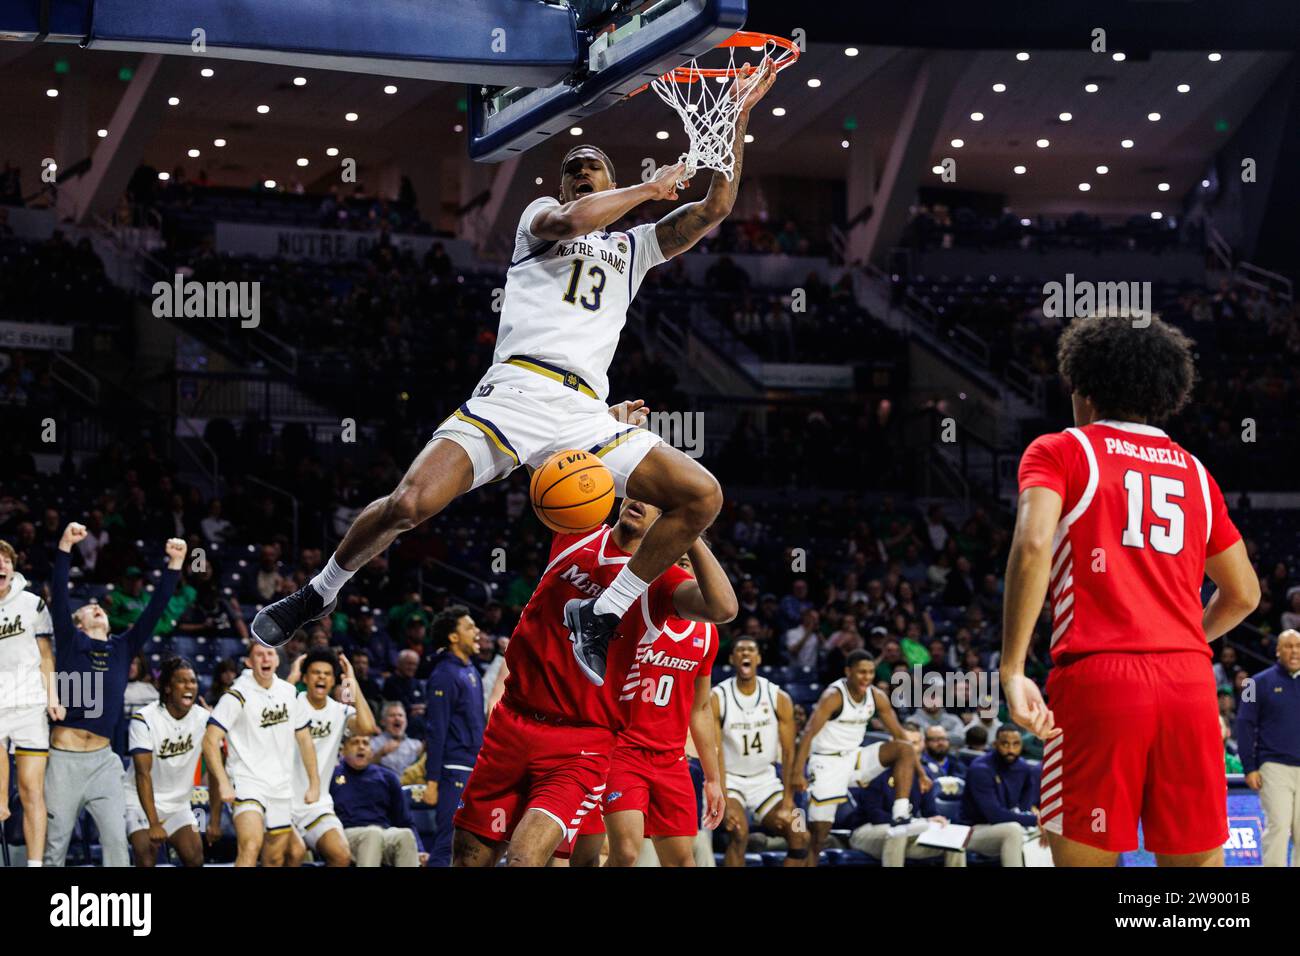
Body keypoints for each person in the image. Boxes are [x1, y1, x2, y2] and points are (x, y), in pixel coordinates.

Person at [250, 61, 780, 697]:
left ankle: (604, 613)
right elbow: (571, 222)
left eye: (593, 170)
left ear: (608, 178)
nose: (581, 176)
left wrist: (739, 112)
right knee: (409, 505)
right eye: (572, 171)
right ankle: (319, 592)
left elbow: (716, 206)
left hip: (585, 412)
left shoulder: (635, 248)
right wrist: (647, 187)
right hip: (515, 393)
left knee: (702, 496)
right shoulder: (541, 218)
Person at [1001, 313, 1259, 867]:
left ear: (1084, 390)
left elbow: (1032, 545)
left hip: (1099, 682)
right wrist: (1185, 636)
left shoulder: (1061, 450)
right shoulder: (1195, 471)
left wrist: (1012, 667)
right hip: (1190, 684)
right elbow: (1243, 594)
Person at [453, 498, 735, 867]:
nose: (639, 500)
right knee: (466, 860)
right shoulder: (577, 529)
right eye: (637, 490)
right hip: (512, 724)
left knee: (526, 858)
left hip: (579, 743)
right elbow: (552, 473)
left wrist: (690, 526)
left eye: (657, 502)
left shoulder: (664, 584)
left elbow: (723, 609)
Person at [570, 544, 732, 867]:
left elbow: (700, 710)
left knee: (683, 861)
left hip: (672, 760)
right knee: (627, 852)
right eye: (675, 562)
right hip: (624, 752)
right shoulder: (634, 613)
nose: (681, 572)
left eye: (688, 565)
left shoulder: (706, 633)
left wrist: (713, 779)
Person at [44, 525, 184, 867]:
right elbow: (59, 596)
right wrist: (65, 546)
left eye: (100, 608)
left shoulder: (123, 647)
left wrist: (176, 564)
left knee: (117, 847)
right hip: (64, 759)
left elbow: (153, 612)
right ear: (77, 623)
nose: (96, 608)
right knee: (56, 844)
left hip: (105, 762)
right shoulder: (70, 641)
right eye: (89, 608)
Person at [794, 651, 923, 866]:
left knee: (903, 749)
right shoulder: (833, 695)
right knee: (819, 836)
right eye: (862, 672)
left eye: (871, 672)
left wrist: (922, 773)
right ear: (848, 672)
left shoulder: (877, 696)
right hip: (828, 762)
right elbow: (807, 734)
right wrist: (797, 773)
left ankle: (900, 813)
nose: (867, 677)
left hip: (856, 758)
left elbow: (900, 734)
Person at [202, 641, 320, 867]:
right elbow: (209, 740)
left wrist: (314, 783)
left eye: (269, 654)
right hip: (247, 781)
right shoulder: (238, 694)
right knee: (250, 846)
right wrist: (224, 782)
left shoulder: (289, 692)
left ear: (277, 660)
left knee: (275, 858)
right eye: (259, 655)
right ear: (249, 662)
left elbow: (305, 740)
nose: (265, 659)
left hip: (280, 785)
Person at [713, 637, 810, 866]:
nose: (745, 653)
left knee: (801, 832)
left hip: (766, 781)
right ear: (732, 659)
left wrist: (788, 800)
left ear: (758, 658)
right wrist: (723, 799)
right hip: (732, 781)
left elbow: (788, 753)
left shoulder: (778, 697)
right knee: (738, 832)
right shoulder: (718, 697)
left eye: (751, 650)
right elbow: (715, 753)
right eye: (740, 650)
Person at [283, 650, 378, 866]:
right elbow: (273, 705)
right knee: (294, 854)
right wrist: (292, 677)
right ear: (305, 678)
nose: (321, 677)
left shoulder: (339, 711)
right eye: (316, 672)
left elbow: (367, 727)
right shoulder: (292, 702)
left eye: (327, 674)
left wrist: (352, 682)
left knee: (341, 855)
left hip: (317, 805)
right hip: (282, 801)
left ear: (333, 680)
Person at [0, 537, 56, 866]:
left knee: (32, 791)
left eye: (6, 559)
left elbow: (47, 656)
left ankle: (35, 865)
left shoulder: (33, 603)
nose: (2, 564)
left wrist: (53, 696)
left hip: (30, 704)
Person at [125, 657, 209, 867]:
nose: (190, 686)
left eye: (193, 681)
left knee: (195, 857)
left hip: (177, 804)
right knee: (146, 857)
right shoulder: (144, 719)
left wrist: (215, 818)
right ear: (169, 688)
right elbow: (143, 774)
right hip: (139, 801)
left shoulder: (203, 719)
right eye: (182, 681)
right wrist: (154, 823)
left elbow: (217, 767)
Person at [420, 606, 486, 867]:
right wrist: (432, 782)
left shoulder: (471, 671)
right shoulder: (444, 675)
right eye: (469, 627)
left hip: (474, 767)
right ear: (453, 637)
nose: (476, 631)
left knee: (471, 846)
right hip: (452, 770)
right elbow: (436, 730)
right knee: (447, 843)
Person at [848, 730, 965, 867]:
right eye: (905, 744)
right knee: (899, 832)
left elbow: (930, 813)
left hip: (907, 834)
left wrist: (937, 821)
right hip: (866, 832)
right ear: (894, 744)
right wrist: (914, 822)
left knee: (953, 841)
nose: (908, 749)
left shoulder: (923, 776)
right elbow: (875, 815)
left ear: (922, 745)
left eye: (914, 743)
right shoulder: (876, 772)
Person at [1237, 629, 1300, 866]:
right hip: (1274, 767)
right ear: (1277, 650)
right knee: (1279, 826)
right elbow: (1243, 725)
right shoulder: (1254, 683)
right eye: (1288, 646)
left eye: (1298, 646)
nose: (1294, 651)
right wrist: (1249, 767)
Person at [331, 733, 426, 867]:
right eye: (355, 743)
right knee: (372, 834)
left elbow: (405, 820)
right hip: (346, 834)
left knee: (405, 834)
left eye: (365, 743)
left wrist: (420, 851)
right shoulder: (332, 775)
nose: (361, 747)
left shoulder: (387, 777)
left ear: (371, 751)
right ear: (343, 750)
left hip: (383, 833)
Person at [961, 726, 1039, 867]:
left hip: (1006, 824)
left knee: (1047, 832)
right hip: (973, 830)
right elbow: (994, 816)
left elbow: (1025, 804)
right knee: (1013, 829)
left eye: (1016, 744)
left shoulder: (1024, 768)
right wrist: (1034, 820)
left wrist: (1035, 821)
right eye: (1005, 744)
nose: (1010, 750)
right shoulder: (980, 769)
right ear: (995, 744)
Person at [372, 701, 424, 774]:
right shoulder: (373, 743)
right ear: (383, 721)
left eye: (400, 715)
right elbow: (364, 767)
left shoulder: (417, 745)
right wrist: (380, 754)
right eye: (392, 715)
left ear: (406, 721)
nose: (397, 718)